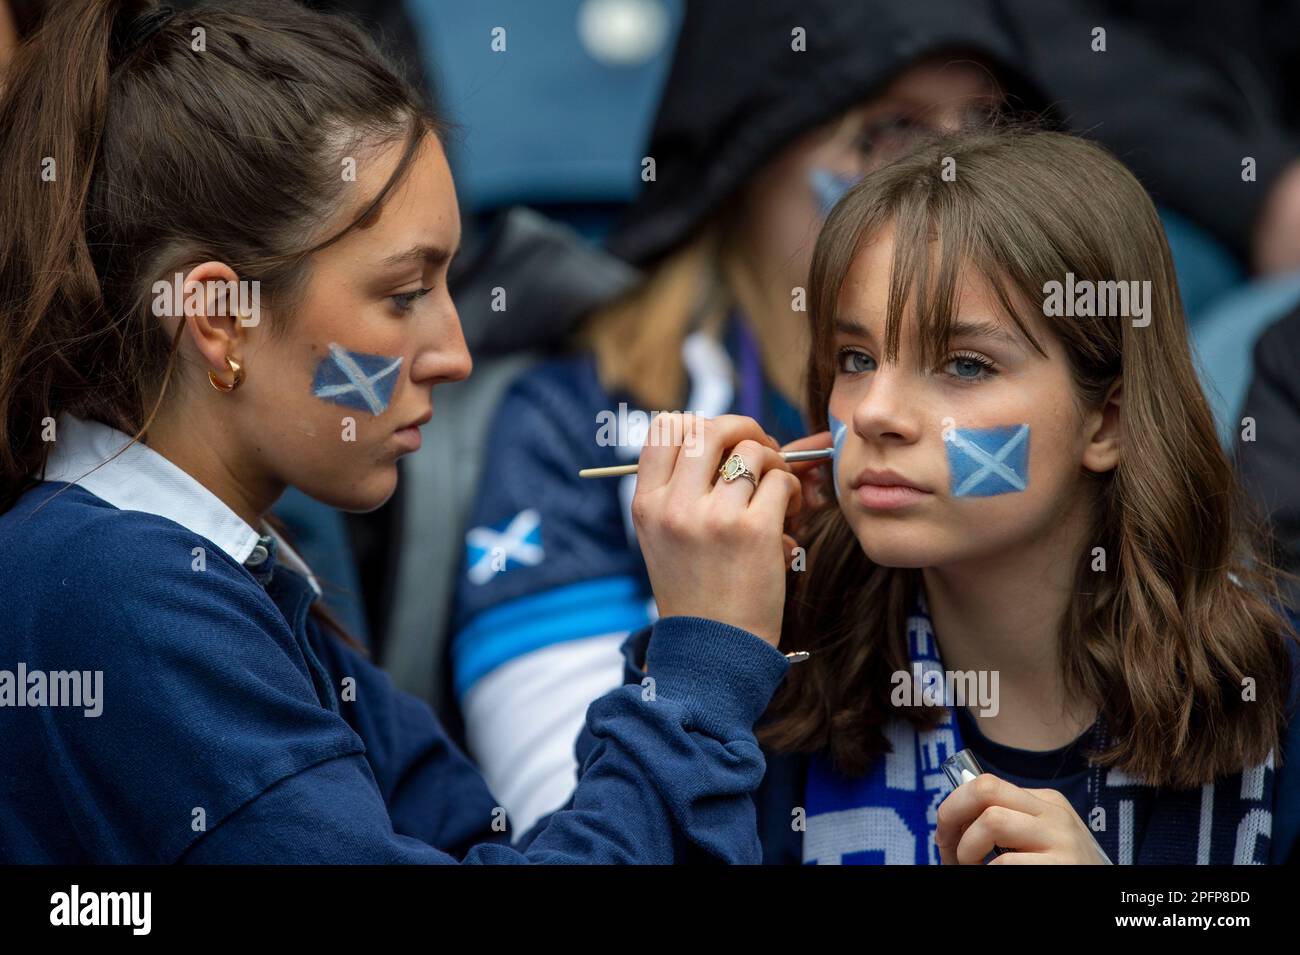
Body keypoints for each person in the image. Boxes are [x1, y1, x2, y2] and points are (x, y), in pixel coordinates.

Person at [0, 0, 794, 864]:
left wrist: (682, 657)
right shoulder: (120, 591)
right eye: (405, 295)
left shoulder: (223, 574)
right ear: (220, 320)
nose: (453, 356)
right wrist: (700, 666)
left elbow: (502, 842)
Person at [620, 126, 1300, 864]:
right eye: (856, 357)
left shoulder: (1276, 683)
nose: (874, 411)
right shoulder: (760, 668)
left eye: (964, 365)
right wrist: (701, 651)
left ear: (1109, 421)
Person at [450, 0, 1046, 834]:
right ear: (750, 153)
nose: (953, 167)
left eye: (984, 122)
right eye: (895, 129)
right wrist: (710, 627)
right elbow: (573, 822)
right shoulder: (579, 419)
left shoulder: (1059, 399)